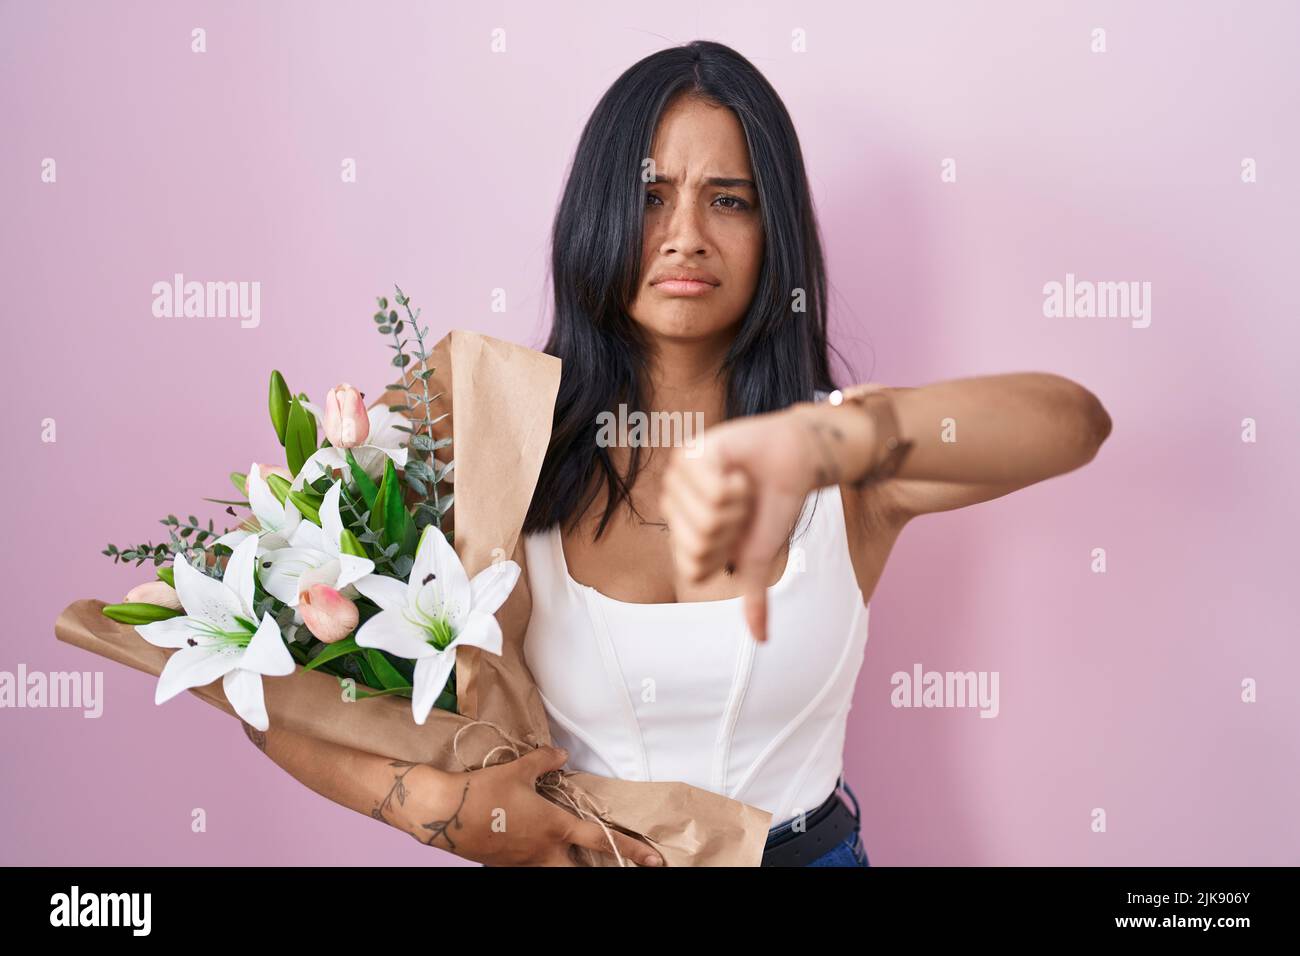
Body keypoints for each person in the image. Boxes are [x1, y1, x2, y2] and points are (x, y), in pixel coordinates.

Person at [245, 40, 1111, 868]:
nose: (686, 233)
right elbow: (259, 670)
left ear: (776, 234)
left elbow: (1074, 423)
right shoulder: (486, 435)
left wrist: (833, 436)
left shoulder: (837, 465)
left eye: (728, 199)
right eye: (651, 195)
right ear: (597, 213)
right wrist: (448, 816)